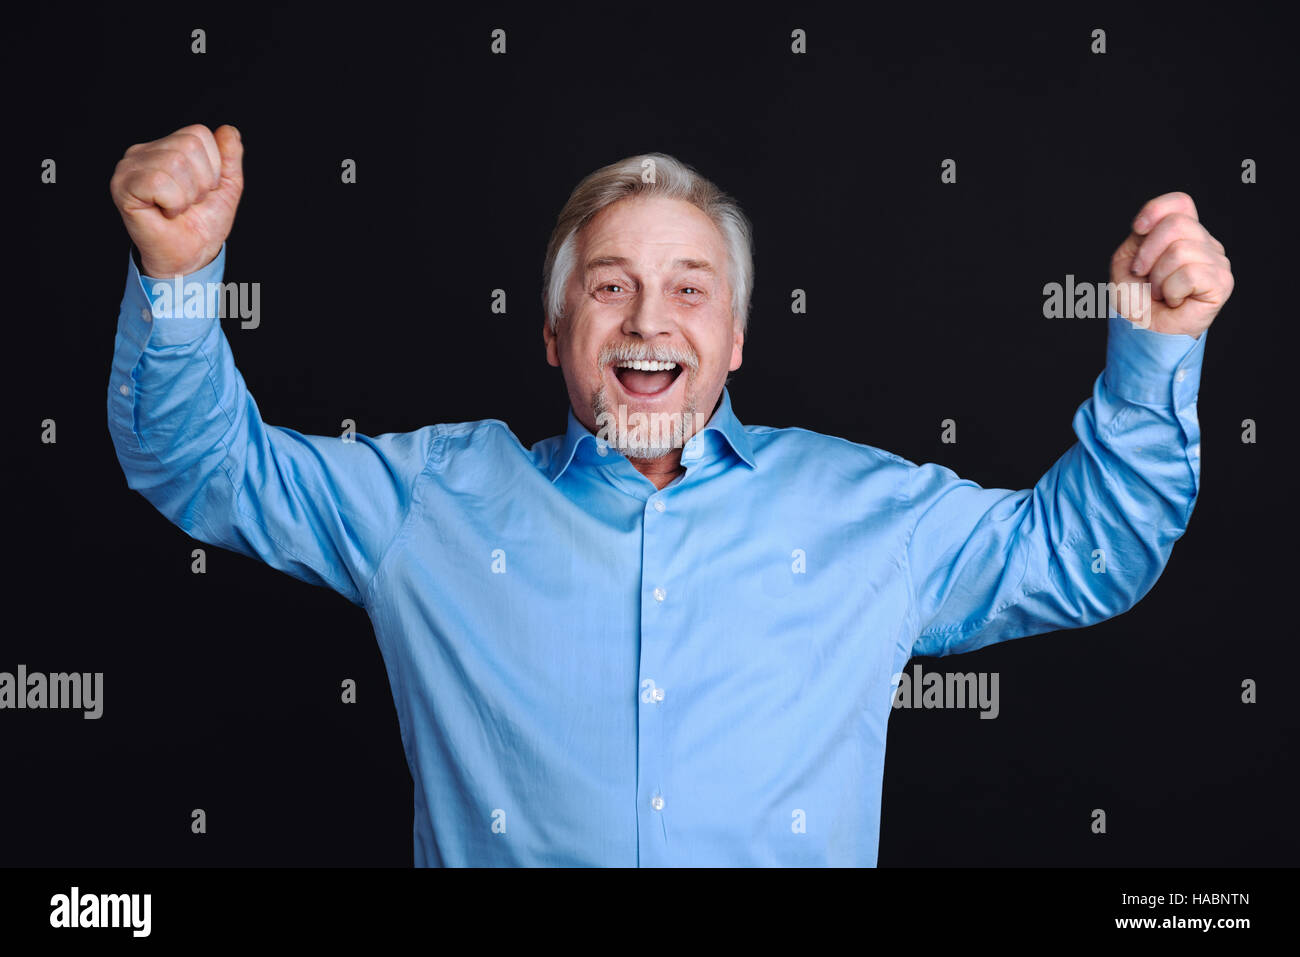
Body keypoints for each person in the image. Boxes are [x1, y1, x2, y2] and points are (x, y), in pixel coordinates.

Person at [107, 123, 1233, 866]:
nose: (649, 321)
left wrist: (1155, 347)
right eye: (612, 287)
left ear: (734, 337)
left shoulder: (868, 515)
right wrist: (176, 276)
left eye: (689, 290)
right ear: (557, 335)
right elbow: (205, 465)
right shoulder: (428, 504)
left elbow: (1088, 553)